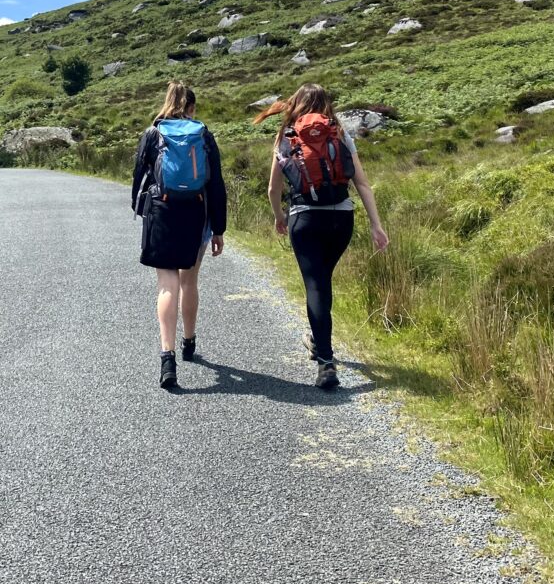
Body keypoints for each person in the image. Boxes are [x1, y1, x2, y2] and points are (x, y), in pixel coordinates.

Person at [256, 84, 389, 390]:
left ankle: (326, 362)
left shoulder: (286, 136)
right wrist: (376, 224)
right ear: (326, 105)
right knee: (323, 280)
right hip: (341, 218)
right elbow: (363, 183)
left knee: (316, 284)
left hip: (304, 218)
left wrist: (279, 216)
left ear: (296, 105)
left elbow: (273, 188)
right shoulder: (339, 133)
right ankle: (319, 340)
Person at [131, 81, 227, 389]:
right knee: (189, 281)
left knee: (166, 285)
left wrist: (140, 209)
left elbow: (138, 177)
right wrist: (219, 228)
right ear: (192, 108)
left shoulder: (153, 133)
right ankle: (189, 341)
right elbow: (216, 184)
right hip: (196, 215)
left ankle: (167, 357)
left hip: (162, 212)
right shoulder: (203, 135)